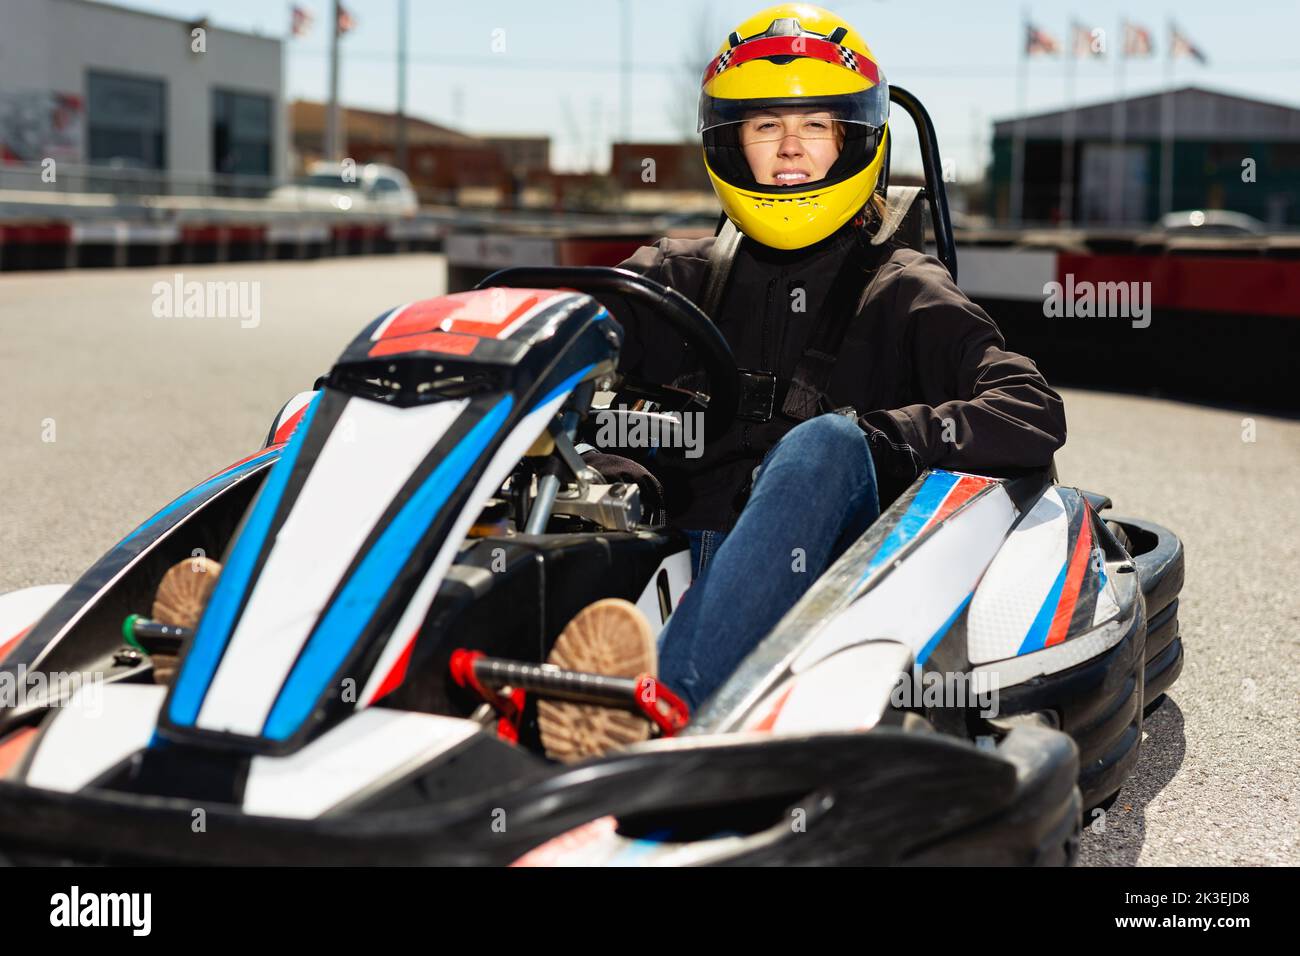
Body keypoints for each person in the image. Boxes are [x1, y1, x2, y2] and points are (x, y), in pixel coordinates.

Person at [535, 3, 1067, 763]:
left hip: (835, 582)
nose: (790, 149)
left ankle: (657, 720)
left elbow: (1031, 408)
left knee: (822, 443)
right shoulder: (671, 278)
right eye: (765, 128)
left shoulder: (904, 290)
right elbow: (545, 332)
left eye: (814, 127)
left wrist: (878, 441)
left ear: (852, 142)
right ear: (731, 144)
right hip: (675, 556)